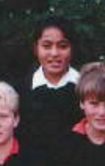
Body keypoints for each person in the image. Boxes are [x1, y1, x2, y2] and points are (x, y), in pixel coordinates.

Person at [18, 16, 81, 155]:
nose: (54, 53)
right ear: (36, 48)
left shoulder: (86, 89)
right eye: (46, 46)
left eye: (63, 46)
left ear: (72, 48)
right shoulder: (20, 92)